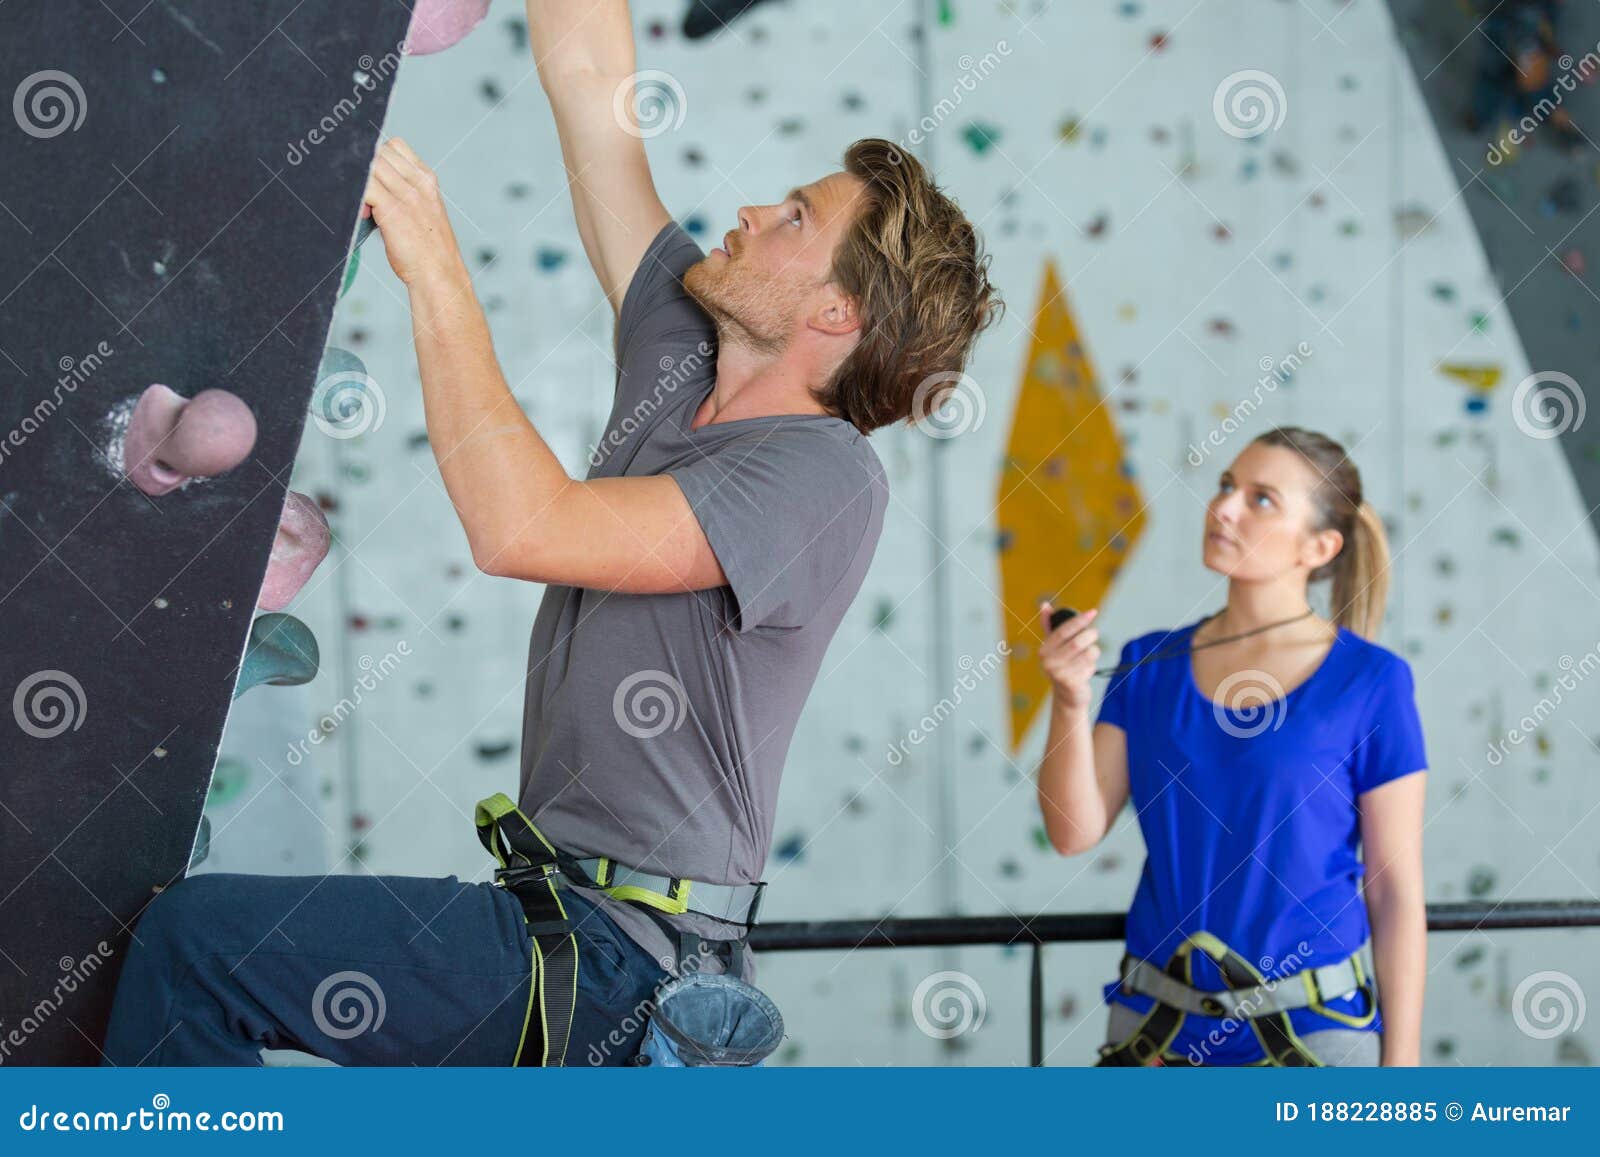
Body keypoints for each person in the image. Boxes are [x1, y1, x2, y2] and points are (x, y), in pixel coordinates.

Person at [99, 0, 1002, 1066]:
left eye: (797, 217)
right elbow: (593, 98)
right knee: (199, 946)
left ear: (837, 315)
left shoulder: (822, 476)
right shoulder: (687, 348)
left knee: (198, 943)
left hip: (626, 971)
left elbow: (522, 524)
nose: (756, 209)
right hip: (564, 926)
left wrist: (435, 266)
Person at [1034, 427, 1428, 1067]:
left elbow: (1394, 892)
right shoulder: (1147, 665)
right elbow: (1072, 832)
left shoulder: (1372, 683)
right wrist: (1069, 699)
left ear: (1320, 546)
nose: (1223, 507)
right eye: (1226, 486)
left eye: (1261, 498)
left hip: (1317, 1034)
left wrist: (1402, 1068)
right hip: (1155, 1037)